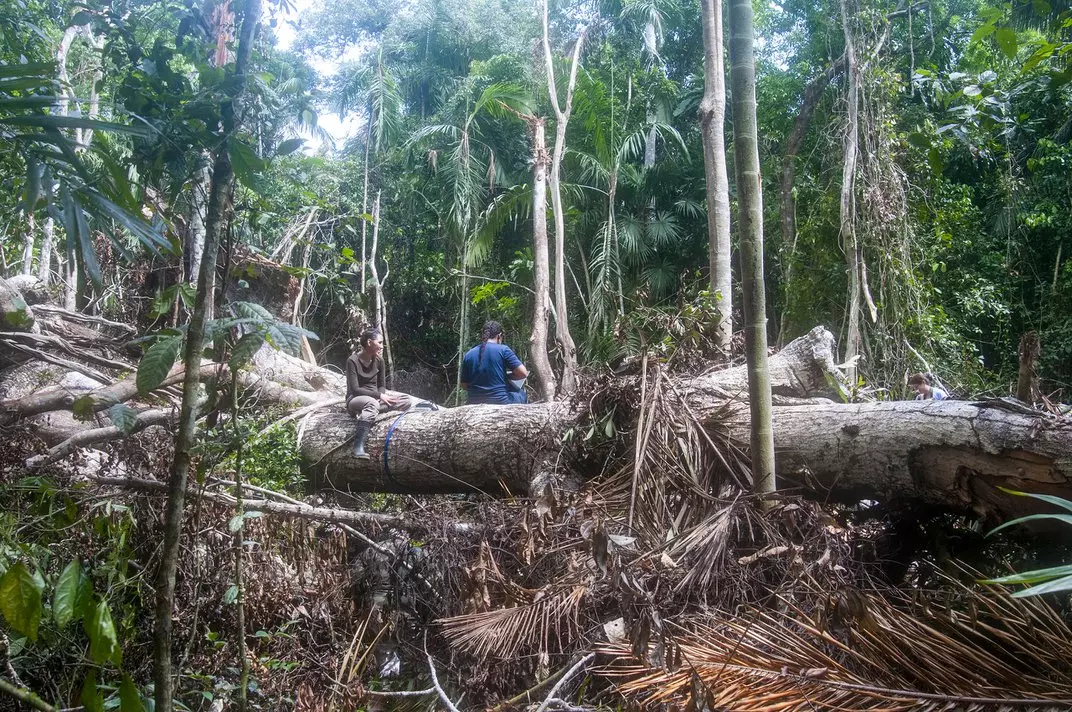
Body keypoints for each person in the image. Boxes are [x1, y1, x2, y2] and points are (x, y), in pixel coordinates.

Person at [346, 328, 412, 459]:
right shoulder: (352, 361)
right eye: (380, 343)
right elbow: (355, 389)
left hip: (374, 400)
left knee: (406, 400)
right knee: (371, 403)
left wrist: (382, 396)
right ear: (369, 342)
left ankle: (368, 412)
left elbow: (382, 386)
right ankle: (358, 447)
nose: (382, 346)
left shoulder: (379, 361)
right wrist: (379, 396)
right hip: (355, 399)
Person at [461, 321, 529, 404]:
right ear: (499, 336)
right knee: (522, 394)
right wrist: (507, 376)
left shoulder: (469, 354)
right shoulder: (503, 350)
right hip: (501, 401)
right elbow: (523, 373)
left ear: (483, 336)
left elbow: (464, 385)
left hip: (474, 401)